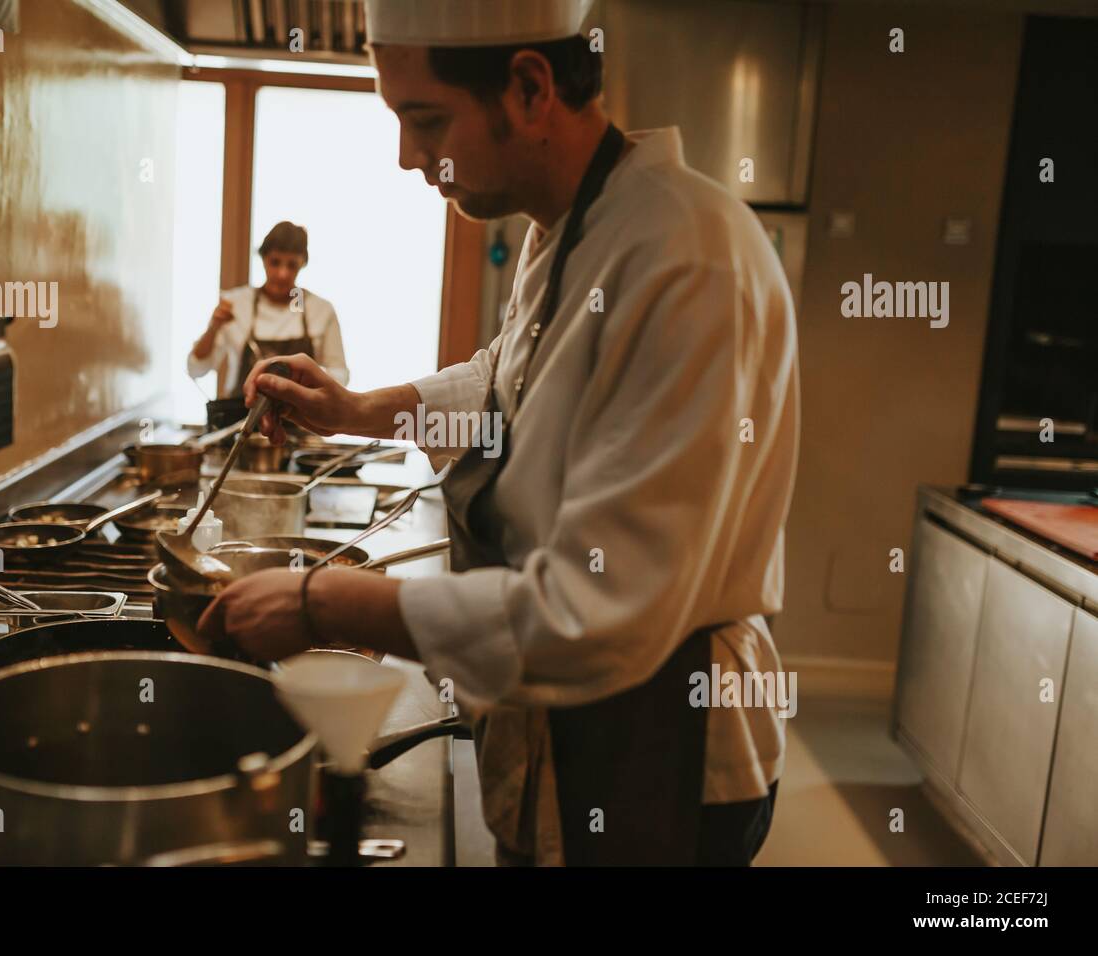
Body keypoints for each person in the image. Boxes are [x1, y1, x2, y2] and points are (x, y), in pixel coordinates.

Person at [195, 0, 800, 867]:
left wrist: (322, 601)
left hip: (664, 735)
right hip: (568, 721)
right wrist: (360, 409)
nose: (407, 157)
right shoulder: (563, 233)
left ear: (528, 86)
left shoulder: (687, 254)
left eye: (425, 119)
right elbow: (504, 381)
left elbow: (600, 608)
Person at [187, 221, 348, 420]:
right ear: (263, 259)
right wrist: (213, 327)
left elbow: (339, 374)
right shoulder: (237, 304)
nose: (282, 274)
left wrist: (309, 387)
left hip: (302, 426)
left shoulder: (320, 310)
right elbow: (197, 368)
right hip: (240, 424)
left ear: (303, 264)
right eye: (275, 262)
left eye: (292, 265)